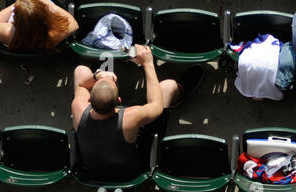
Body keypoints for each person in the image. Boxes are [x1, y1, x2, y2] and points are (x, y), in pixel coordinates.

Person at [71, 45, 201, 182]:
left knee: (81, 71)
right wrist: (148, 63)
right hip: (131, 173)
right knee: (168, 87)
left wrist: (98, 75)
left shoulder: (78, 108)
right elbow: (156, 105)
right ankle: (180, 90)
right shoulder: (130, 117)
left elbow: (81, 83)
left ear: (90, 99)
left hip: (92, 173)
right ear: (119, 102)